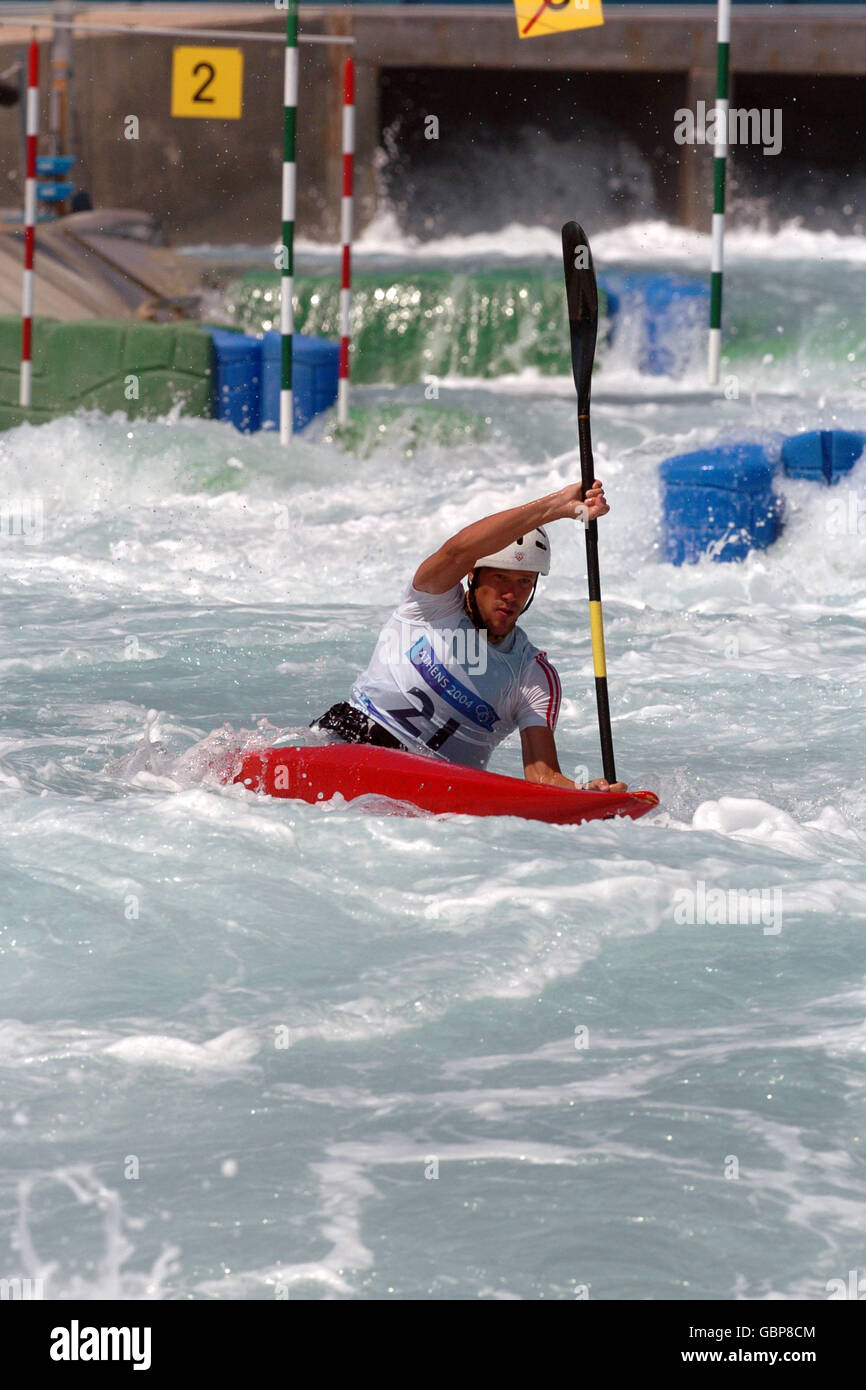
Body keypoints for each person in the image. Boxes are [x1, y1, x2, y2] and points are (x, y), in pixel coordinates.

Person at [313, 479, 627, 792]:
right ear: (472, 576)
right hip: (350, 739)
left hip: (433, 786)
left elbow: (543, 779)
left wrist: (585, 791)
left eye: (524, 582)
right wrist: (552, 507)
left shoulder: (531, 677)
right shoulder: (430, 603)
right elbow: (457, 550)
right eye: (501, 577)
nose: (510, 594)